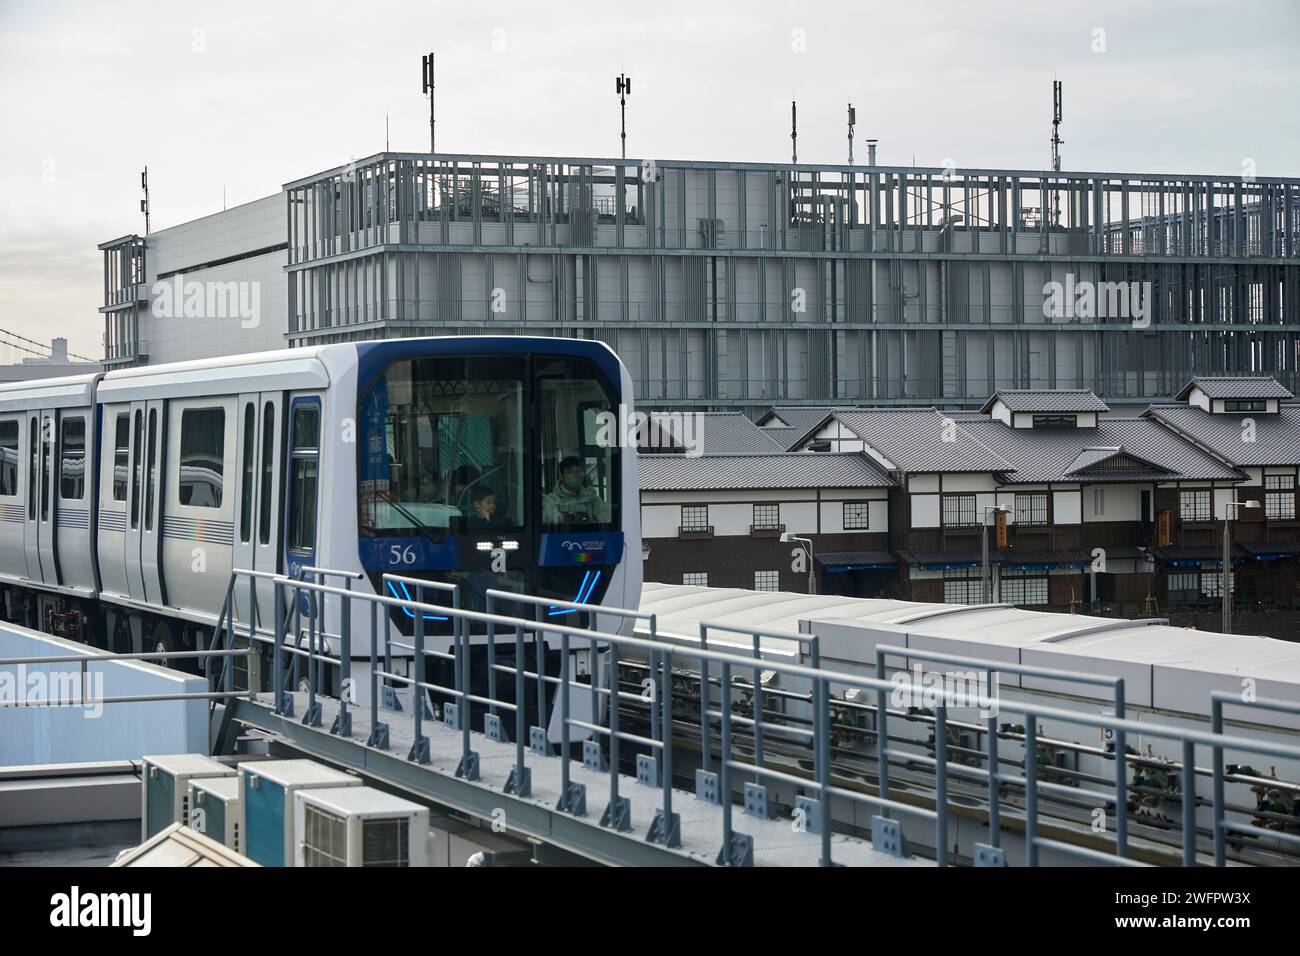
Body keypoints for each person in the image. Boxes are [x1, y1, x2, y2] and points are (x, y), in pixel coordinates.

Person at [543, 455, 610, 525]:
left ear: (583, 474)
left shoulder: (591, 496)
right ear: (562, 476)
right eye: (570, 471)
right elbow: (549, 515)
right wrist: (565, 518)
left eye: (578, 471)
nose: (575, 474)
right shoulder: (551, 499)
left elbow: (605, 514)